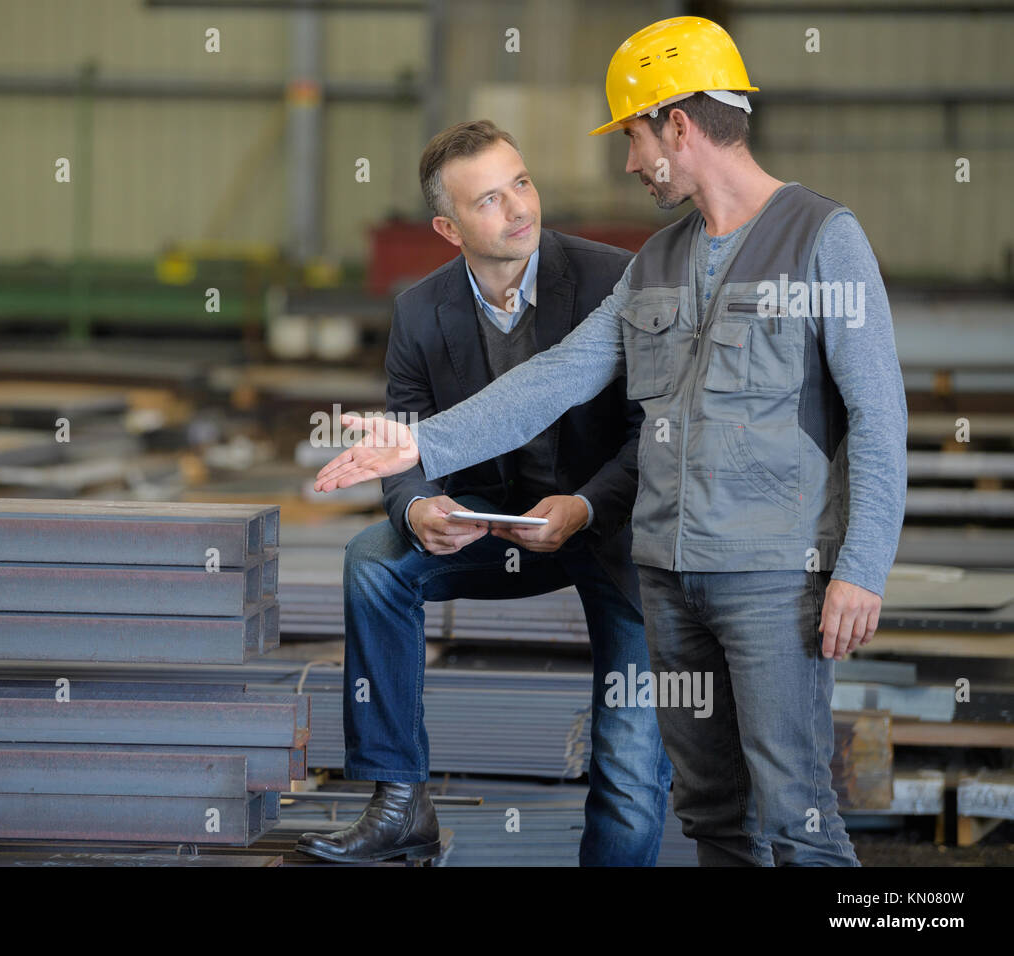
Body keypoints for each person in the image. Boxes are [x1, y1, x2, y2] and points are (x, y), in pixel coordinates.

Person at [312, 16, 908, 866]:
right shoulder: (657, 262)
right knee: (712, 815)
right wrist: (421, 448)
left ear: (677, 124)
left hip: (772, 580)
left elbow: (880, 416)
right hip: (668, 579)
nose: (629, 162)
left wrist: (862, 566)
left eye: (633, 135)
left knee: (794, 816)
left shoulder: (823, 240)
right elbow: (555, 376)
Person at [296, 120, 673, 865]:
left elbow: (652, 432)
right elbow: (407, 437)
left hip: (609, 531)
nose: (520, 209)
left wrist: (586, 504)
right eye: (490, 199)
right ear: (447, 226)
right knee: (374, 558)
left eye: (523, 183)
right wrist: (416, 506)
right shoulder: (419, 310)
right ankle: (401, 799)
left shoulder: (612, 281)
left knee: (630, 758)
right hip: (487, 531)